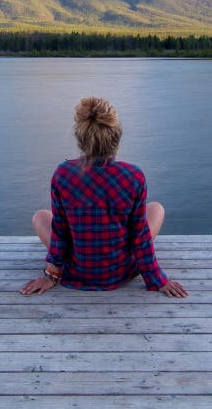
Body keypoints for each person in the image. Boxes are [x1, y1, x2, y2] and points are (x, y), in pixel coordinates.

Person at [21, 97, 188, 298]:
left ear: (81, 139)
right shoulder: (133, 176)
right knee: (156, 209)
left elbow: (60, 231)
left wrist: (50, 275)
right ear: (116, 137)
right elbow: (140, 235)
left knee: (41, 216)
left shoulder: (62, 174)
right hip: (120, 272)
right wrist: (157, 280)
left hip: (76, 271)